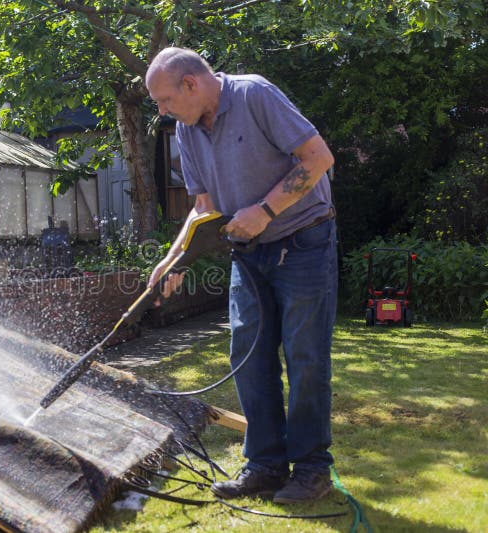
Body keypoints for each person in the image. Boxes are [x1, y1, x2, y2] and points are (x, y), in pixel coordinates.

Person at [145, 47, 338, 504]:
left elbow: (318, 158)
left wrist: (265, 210)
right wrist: (173, 259)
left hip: (304, 243)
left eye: (165, 100)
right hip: (249, 254)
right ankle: (266, 466)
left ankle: (312, 470)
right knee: (248, 357)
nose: (162, 111)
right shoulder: (187, 130)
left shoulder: (255, 95)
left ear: (190, 83)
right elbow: (204, 207)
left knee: (306, 358)